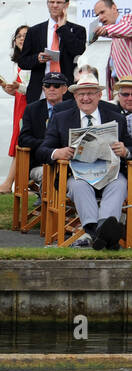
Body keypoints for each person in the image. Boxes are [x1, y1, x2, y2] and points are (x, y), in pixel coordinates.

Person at [38, 71, 132, 250]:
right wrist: (58, 152)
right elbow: (43, 150)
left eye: (90, 93)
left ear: (99, 95)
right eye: (81, 94)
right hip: (77, 175)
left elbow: (131, 147)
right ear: (74, 96)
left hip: (110, 173)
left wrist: (125, 151)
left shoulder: (116, 117)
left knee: (120, 184)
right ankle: (103, 234)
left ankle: (94, 234)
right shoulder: (61, 118)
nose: (86, 98)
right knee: (79, 186)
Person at [18, 0, 86, 104]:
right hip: (40, 90)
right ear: (47, 4)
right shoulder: (34, 31)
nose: (54, 5)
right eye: (51, 2)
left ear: (67, 5)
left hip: (66, 90)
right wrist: (37, 58)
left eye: (59, 2)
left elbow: (78, 50)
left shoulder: (77, 30)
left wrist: (63, 28)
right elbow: (23, 61)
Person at [17, 72, 71, 193]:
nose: (51, 88)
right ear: (43, 89)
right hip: (39, 163)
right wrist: (47, 145)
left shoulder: (72, 109)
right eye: (47, 85)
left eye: (56, 86)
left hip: (68, 161)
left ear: (64, 89)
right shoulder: (32, 109)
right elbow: (23, 139)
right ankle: (49, 207)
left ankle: (59, 206)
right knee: (46, 173)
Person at [0, 24, 29, 194]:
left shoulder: (32, 61)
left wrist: (18, 87)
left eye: (25, 35)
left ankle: (10, 183)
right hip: (20, 104)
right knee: (19, 143)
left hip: (29, 105)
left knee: (21, 143)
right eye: (19, 36)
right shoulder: (17, 63)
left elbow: (36, 89)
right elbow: (19, 90)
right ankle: (17, 183)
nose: (22, 38)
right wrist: (7, 87)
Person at [92, 0, 132, 100]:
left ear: (114, 8)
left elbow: (127, 28)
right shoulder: (115, 34)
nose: (100, 18)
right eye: (97, 15)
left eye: (102, 12)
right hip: (120, 88)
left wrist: (106, 30)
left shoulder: (128, 20)